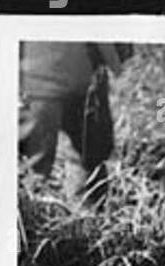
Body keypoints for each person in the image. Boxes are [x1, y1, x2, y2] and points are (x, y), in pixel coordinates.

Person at [19, 42, 133, 207]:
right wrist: (121, 69)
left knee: (88, 159)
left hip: (71, 82)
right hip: (46, 83)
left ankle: (86, 222)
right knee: (32, 169)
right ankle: (29, 222)